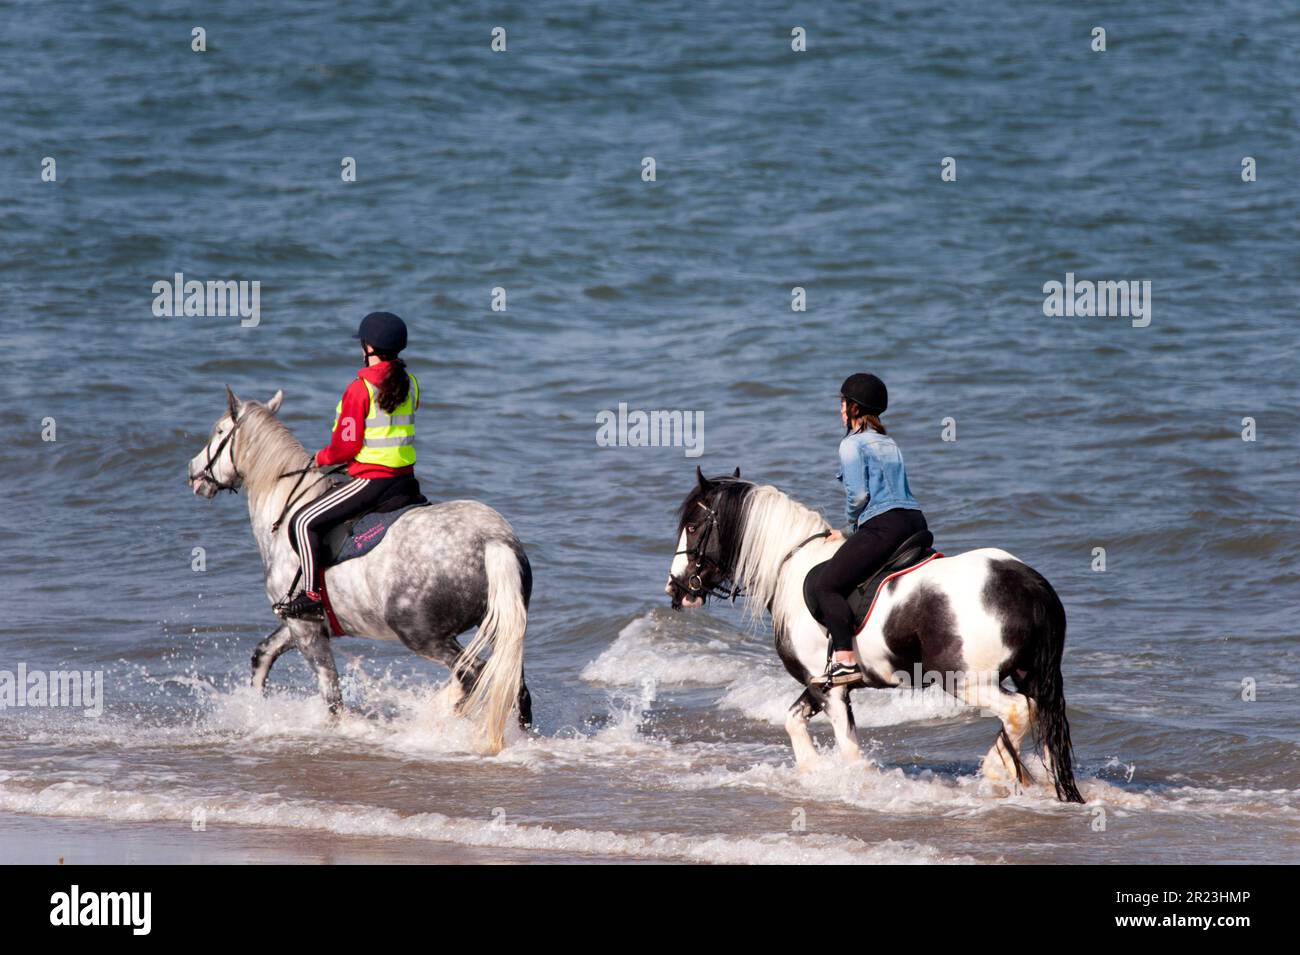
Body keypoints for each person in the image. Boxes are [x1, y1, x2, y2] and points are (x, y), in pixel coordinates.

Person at [275, 311, 421, 620]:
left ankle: (311, 595)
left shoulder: (360, 389)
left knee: (302, 523)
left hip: (372, 483)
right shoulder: (412, 384)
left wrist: (321, 458)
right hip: (406, 482)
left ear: (368, 347)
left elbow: (346, 447)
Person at [810, 373, 927, 685]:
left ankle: (846, 660)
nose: (840, 410)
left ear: (855, 409)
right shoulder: (889, 442)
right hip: (915, 521)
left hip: (883, 526)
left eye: (843, 404)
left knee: (827, 585)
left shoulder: (851, 445)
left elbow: (859, 496)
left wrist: (850, 527)